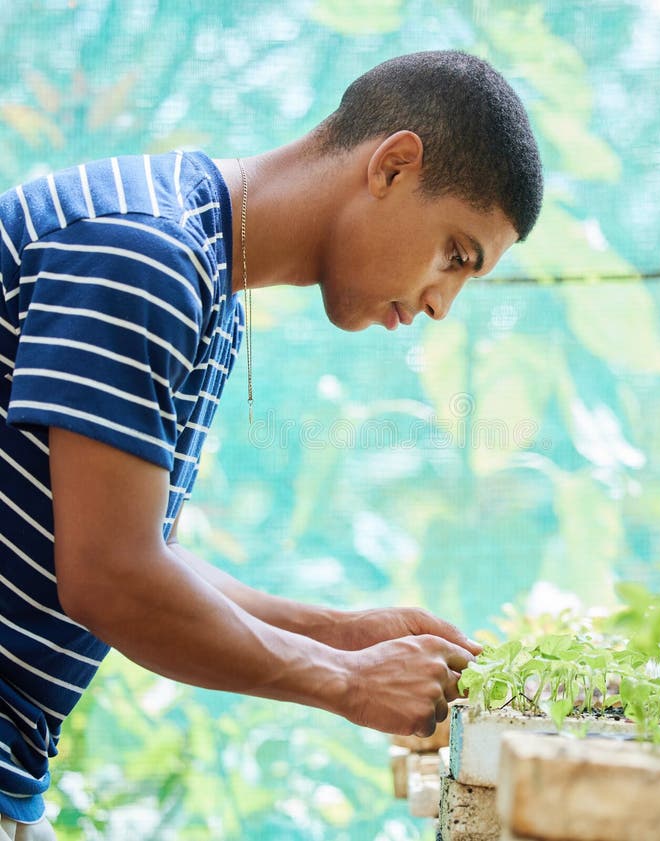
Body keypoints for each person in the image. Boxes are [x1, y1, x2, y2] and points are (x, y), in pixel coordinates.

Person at [0, 49, 542, 837]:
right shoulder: (144, 256)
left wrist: (338, 629)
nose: (440, 304)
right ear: (391, 166)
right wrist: (348, 679)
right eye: (455, 253)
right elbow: (109, 579)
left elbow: (139, 549)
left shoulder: (203, 283)